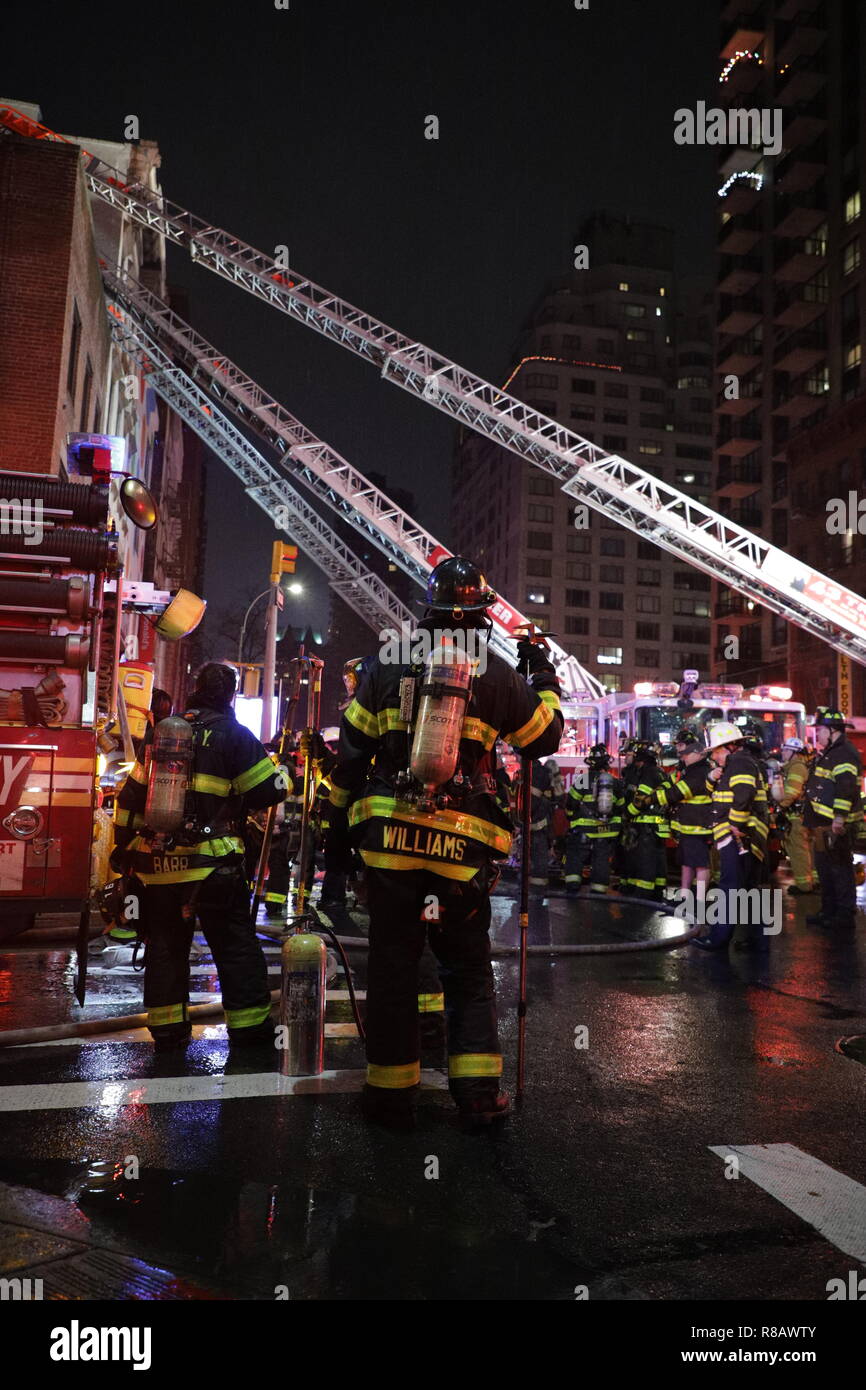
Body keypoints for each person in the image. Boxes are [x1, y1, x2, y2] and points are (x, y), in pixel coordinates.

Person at [326, 555, 562, 1129]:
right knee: (467, 970)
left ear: (428, 610)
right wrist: (543, 678)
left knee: (392, 967)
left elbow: (352, 755)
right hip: (460, 853)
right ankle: (478, 1097)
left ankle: (390, 1094)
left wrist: (335, 833)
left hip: (391, 849)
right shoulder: (498, 673)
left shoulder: (387, 663)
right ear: (483, 616)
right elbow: (545, 739)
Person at [112, 662, 285, 1051]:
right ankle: (249, 1031)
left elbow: (130, 799)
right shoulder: (233, 734)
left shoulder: (163, 733)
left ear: (194, 689)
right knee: (234, 947)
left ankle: (169, 1033)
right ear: (231, 695)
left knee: (166, 948)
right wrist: (284, 773)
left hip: (157, 866)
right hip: (212, 866)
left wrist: (122, 850)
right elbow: (267, 792)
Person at [694, 721, 765, 952]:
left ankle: (718, 939)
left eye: (715, 751)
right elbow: (717, 792)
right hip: (747, 836)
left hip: (738, 836)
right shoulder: (735, 763)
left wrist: (735, 823)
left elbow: (744, 793)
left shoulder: (740, 762)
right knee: (748, 888)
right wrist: (712, 777)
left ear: (728, 746)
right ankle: (756, 940)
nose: (713, 756)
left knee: (729, 887)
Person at [803, 709, 862, 930]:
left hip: (835, 824)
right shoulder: (831, 752)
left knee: (840, 869)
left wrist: (839, 818)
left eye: (820, 730)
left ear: (832, 730)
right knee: (826, 869)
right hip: (822, 823)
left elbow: (845, 789)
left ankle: (844, 915)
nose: (818, 734)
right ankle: (828, 911)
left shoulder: (844, 753)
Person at [652, 727, 713, 905]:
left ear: (697, 752)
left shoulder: (700, 771)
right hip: (688, 825)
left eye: (685, 753)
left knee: (701, 864)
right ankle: (685, 897)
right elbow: (673, 784)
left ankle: (700, 901)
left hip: (698, 827)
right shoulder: (689, 769)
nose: (681, 756)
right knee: (687, 862)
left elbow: (678, 793)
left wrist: (652, 799)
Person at [564, 744, 623, 895]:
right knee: (602, 859)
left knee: (576, 855)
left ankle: (573, 886)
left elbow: (571, 802)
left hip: (585, 829)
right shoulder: (615, 782)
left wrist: (571, 816)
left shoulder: (583, 779)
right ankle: (599, 889)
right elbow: (621, 806)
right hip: (607, 830)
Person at [619, 741, 667, 900]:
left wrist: (627, 813)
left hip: (647, 822)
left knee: (645, 857)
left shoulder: (647, 772)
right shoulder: (660, 772)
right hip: (660, 822)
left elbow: (640, 799)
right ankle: (657, 888)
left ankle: (644, 891)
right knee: (658, 856)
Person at [775, 737, 816, 896]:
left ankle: (804, 886)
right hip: (800, 816)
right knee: (806, 851)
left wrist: (779, 808)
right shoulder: (793, 767)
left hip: (796, 817)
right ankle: (813, 882)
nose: (783, 753)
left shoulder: (797, 767)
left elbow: (792, 793)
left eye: (786, 750)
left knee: (798, 851)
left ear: (794, 752)